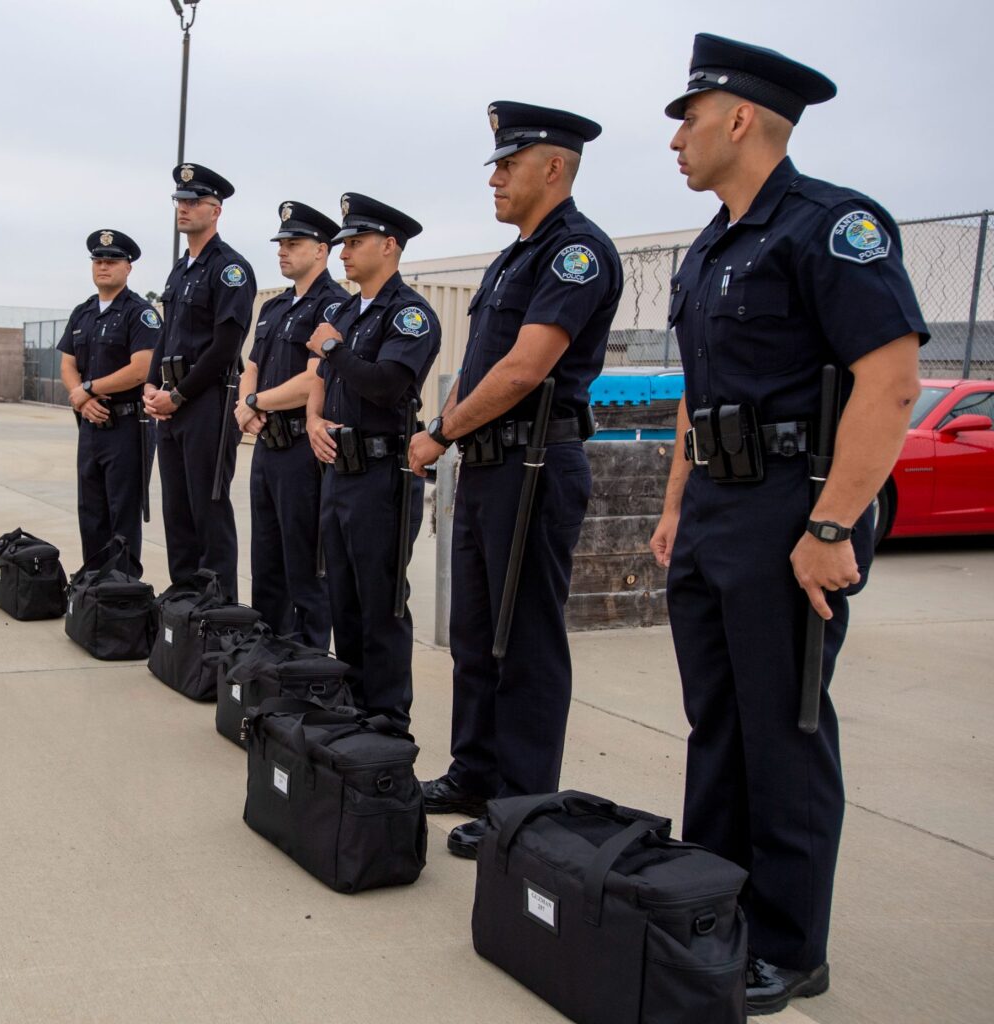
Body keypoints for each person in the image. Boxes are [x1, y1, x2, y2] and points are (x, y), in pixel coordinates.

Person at [649, 35, 927, 1015]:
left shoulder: (831, 225)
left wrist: (833, 522)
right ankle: (716, 908)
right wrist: (677, 502)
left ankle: (790, 940)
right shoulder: (713, 246)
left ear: (737, 117)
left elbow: (892, 383)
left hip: (791, 500)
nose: (676, 138)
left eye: (688, 118)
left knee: (785, 727)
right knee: (717, 723)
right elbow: (698, 392)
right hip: (720, 504)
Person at [410, 103, 621, 820]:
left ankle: (521, 810)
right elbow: (479, 366)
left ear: (554, 167)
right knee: (475, 631)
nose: (494, 179)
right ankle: (474, 774)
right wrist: (459, 434)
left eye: (508, 164)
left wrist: (440, 431)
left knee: (523, 639)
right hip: (490, 463)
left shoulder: (575, 252)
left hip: (535, 464)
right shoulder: (513, 257)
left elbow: (524, 370)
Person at [304, 194, 439, 728]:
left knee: (381, 601)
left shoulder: (407, 314)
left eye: (355, 243)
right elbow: (319, 378)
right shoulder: (344, 312)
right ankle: (354, 705)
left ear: (389, 246)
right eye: (342, 243)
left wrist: (335, 351)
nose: (344, 253)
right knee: (343, 596)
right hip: (340, 471)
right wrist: (314, 420)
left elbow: (387, 386)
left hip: (383, 476)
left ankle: (386, 717)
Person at [143, 163, 256, 600]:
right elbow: (166, 335)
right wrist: (152, 387)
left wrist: (179, 394)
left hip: (206, 401)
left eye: (194, 202)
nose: (184, 208)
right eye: (180, 201)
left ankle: (216, 608)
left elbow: (226, 346)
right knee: (177, 508)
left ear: (216, 210)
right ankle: (185, 601)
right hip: (170, 403)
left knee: (207, 509)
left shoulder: (230, 269)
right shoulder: (180, 270)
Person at [237, 201, 348, 647]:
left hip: (304, 453)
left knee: (305, 571)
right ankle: (266, 665)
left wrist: (254, 400)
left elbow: (312, 380)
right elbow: (251, 361)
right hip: (268, 448)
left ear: (321, 250)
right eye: (281, 243)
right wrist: (247, 406)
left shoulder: (335, 306)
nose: (283, 251)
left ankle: (306, 670)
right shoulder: (276, 305)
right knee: (265, 567)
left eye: (293, 243)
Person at [57, 229, 160, 563]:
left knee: (122, 513)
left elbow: (142, 368)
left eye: (112, 261)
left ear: (128, 267)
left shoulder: (139, 313)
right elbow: (68, 364)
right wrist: (82, 398)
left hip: (127, 426)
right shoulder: (83, 312)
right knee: (91, 511)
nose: (104, 267)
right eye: (98, 260)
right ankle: (94, 588)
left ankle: (122, 591)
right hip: (90, 425)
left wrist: (89, 389)